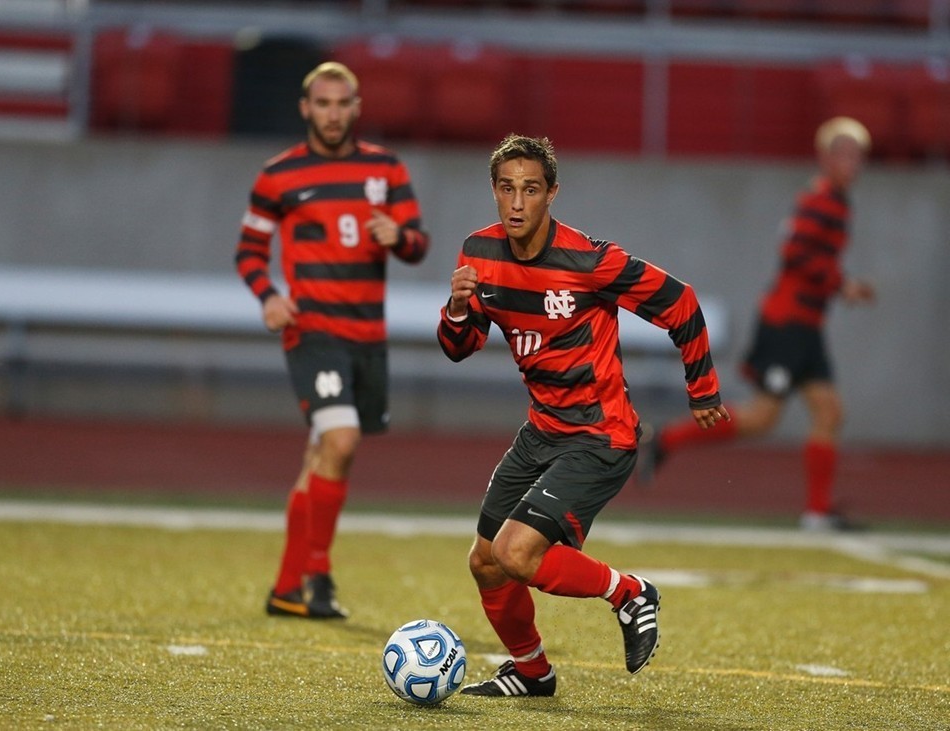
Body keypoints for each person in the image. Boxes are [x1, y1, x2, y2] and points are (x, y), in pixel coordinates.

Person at [437, 134, 729, 695]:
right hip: (541, 432)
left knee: (517, 553)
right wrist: (455, 309)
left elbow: (681, 302)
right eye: (506, 189)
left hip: (601, 436)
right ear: (494, 194)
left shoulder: (590, 260)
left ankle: (630, 592)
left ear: (552, 194)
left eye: (530, 190)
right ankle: (532, 673)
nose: (517, 203)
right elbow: (461, 345)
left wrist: (703, 390)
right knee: (486, 563)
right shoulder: (478, 253)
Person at [235, 61, 429, 619]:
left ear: (357, 107)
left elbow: (419, 242)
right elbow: (248, 250)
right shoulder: (278, 176)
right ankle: (314, 578)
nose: (333, 113)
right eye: (323, 104)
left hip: (368, 335)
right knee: (340, 441)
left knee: (326, 455)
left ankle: (290, 586)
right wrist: (268, 295)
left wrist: (402, 237)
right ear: (305, 108)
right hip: (312, 331)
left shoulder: (387, 169)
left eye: (343, 103)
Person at [639, 116, 875, 532]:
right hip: (786, 325)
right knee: (761, 417)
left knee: (829, 412)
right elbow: (796, 255)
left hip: (806, 328)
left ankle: (817, 513)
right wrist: (843, 284)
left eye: (858, 156)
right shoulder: (820, 201)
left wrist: (839, 285)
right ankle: (668, 439)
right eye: (846, 154)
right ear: (826, 157)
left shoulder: (836, 202)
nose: (853, 164)